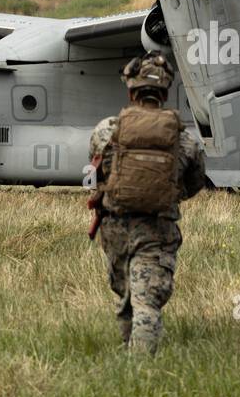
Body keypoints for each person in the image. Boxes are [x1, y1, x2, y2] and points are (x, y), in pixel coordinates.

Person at [88, 54, 207, 354]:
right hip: (156, 228)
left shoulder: (106, 131)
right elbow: (194, 184)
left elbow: (97, 172)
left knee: (126, 295)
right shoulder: (184, 140)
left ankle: (130, 354)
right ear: (165, 93)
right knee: (147, 302)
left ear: (131, 91)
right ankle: (140, 371)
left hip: (115, 229)